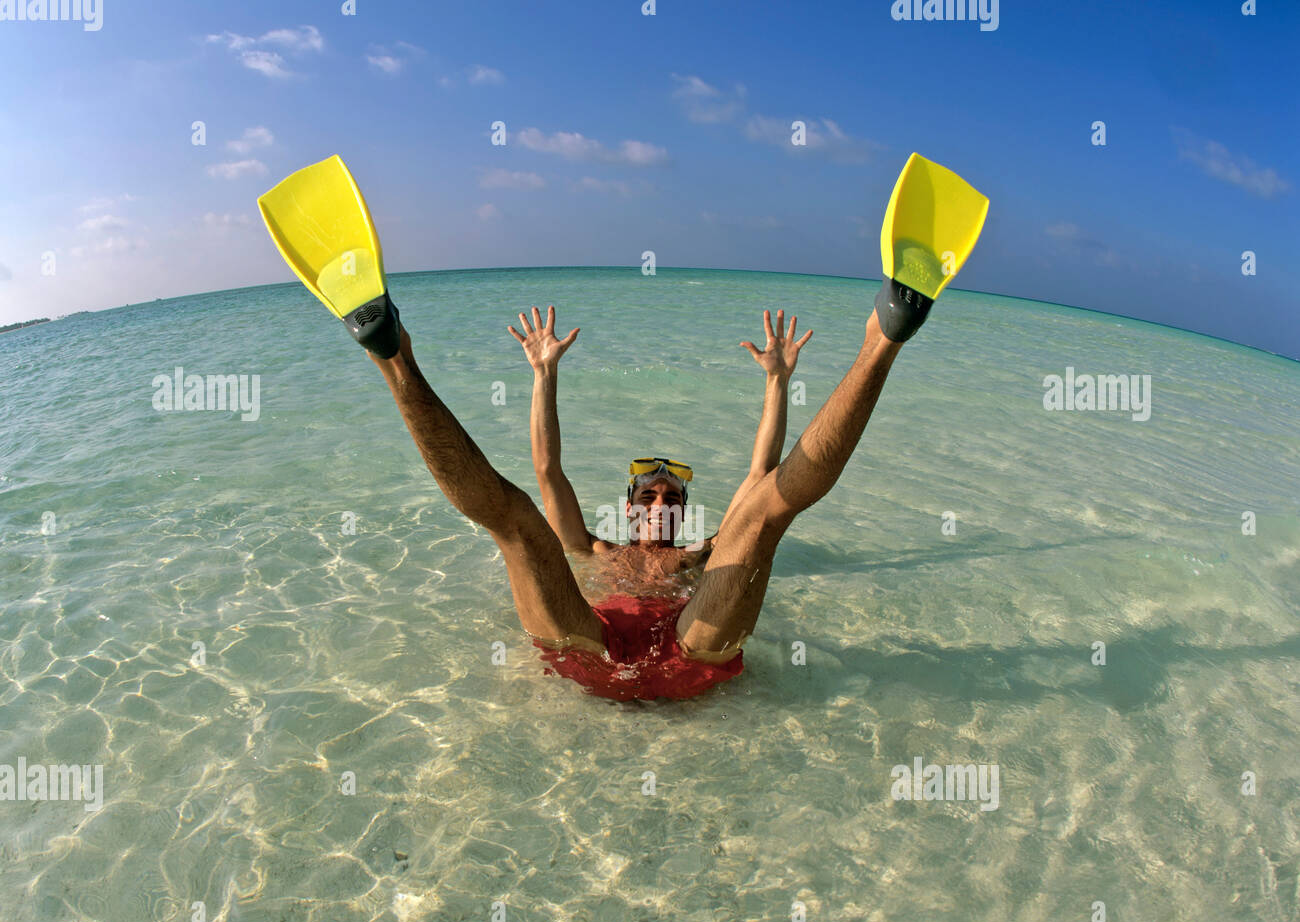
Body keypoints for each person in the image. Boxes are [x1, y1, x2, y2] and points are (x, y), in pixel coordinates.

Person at [257, 152, 987, 701]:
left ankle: (886, 335)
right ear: (630, 508)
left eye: (672, 498)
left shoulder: (701, 557)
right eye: (651, 497)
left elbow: (764, 479)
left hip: (694, 656)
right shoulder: (594, 547)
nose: (662, 505)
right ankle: (391, 352)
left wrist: (776, 386)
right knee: (517, 519)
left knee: (765, 511)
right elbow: (547, 473)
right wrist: (543, 377)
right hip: (589, 651)